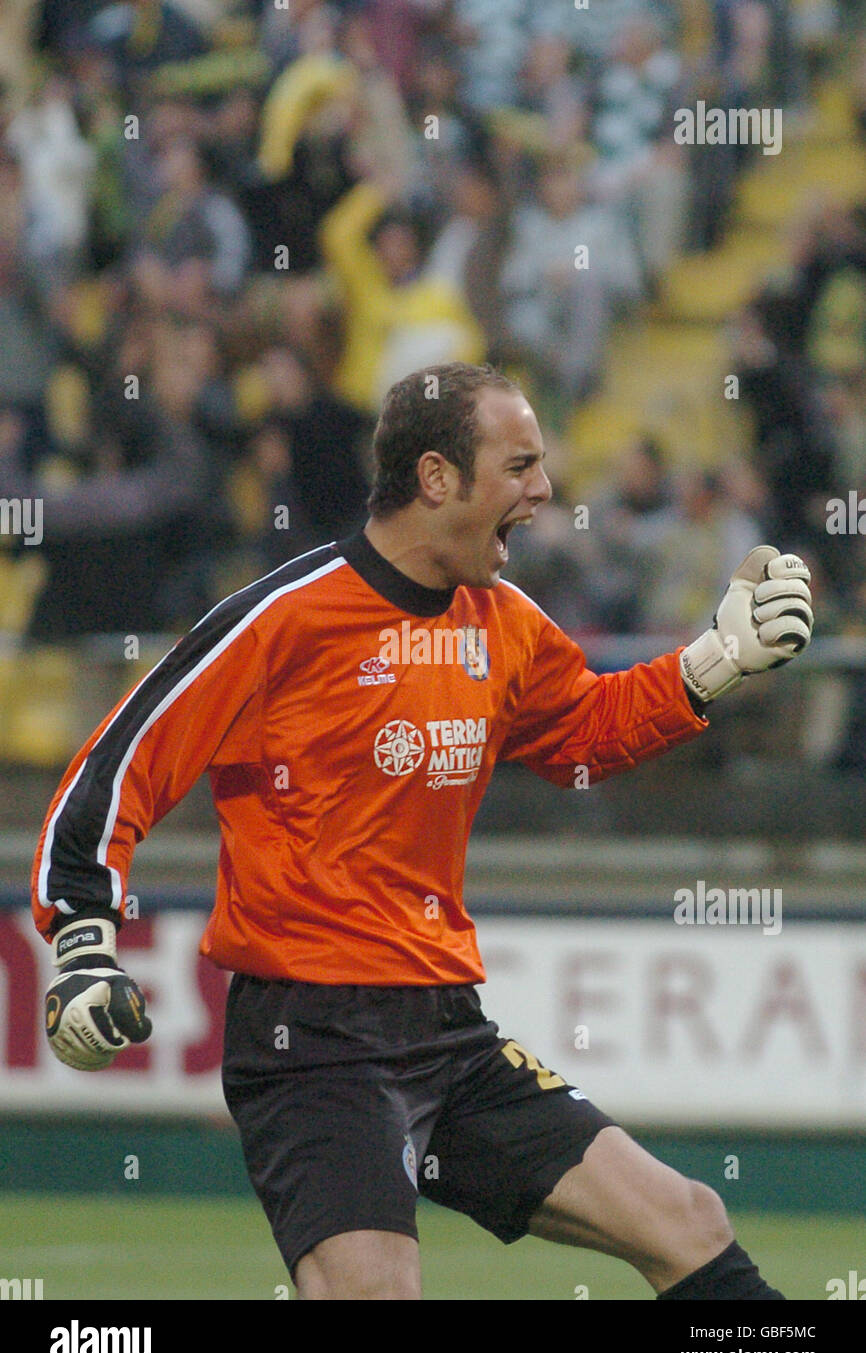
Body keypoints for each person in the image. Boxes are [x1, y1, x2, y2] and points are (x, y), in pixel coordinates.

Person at [32, 362, 813, 1301]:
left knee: (690, 1223)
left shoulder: (504, 619)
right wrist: (83, 937)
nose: (544, 490)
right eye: (520, 465)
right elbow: (124, 761)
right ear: (438, 479)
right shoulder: (286, 618)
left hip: (445, 1026)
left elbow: (579, 736)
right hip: (311, 1039)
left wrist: (710, 665)